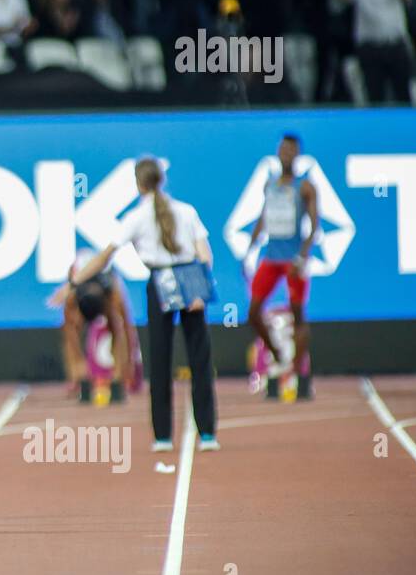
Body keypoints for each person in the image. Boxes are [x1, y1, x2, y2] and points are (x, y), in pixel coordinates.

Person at [72, 157, 219, 453]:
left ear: (139, 184)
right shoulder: (186, 211)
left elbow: (105, 256)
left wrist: (75, 281)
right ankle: (207, 433)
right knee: (199, 359)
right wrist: (198, 290)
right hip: (191, 277)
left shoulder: (137, 217)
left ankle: (162, 436)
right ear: (162, 180)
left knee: (160, 357)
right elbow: (205, 254)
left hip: (160, 279)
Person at [244, 134, 318, 401]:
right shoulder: (270, 185)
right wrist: (249, 250)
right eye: (282, 149)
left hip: (292, 259)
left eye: (291, 150)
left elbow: (314, 227)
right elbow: (263, 219)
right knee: (253, 311)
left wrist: (302, 257)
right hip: (271, 256)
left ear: (297, 154)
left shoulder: (305, 187)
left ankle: (297, 371)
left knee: (298, 313)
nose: (286, 154)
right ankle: (277, 355)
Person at [48, 248, 139, 405]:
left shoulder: (113, 293)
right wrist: (80, 371)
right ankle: (77, 377)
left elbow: (126, 327)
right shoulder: (72, 296)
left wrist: (126, 368)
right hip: (81, 285)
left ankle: (118, 375)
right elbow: (68, 332)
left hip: (102, 286)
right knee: (70, 330)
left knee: (117, 328)